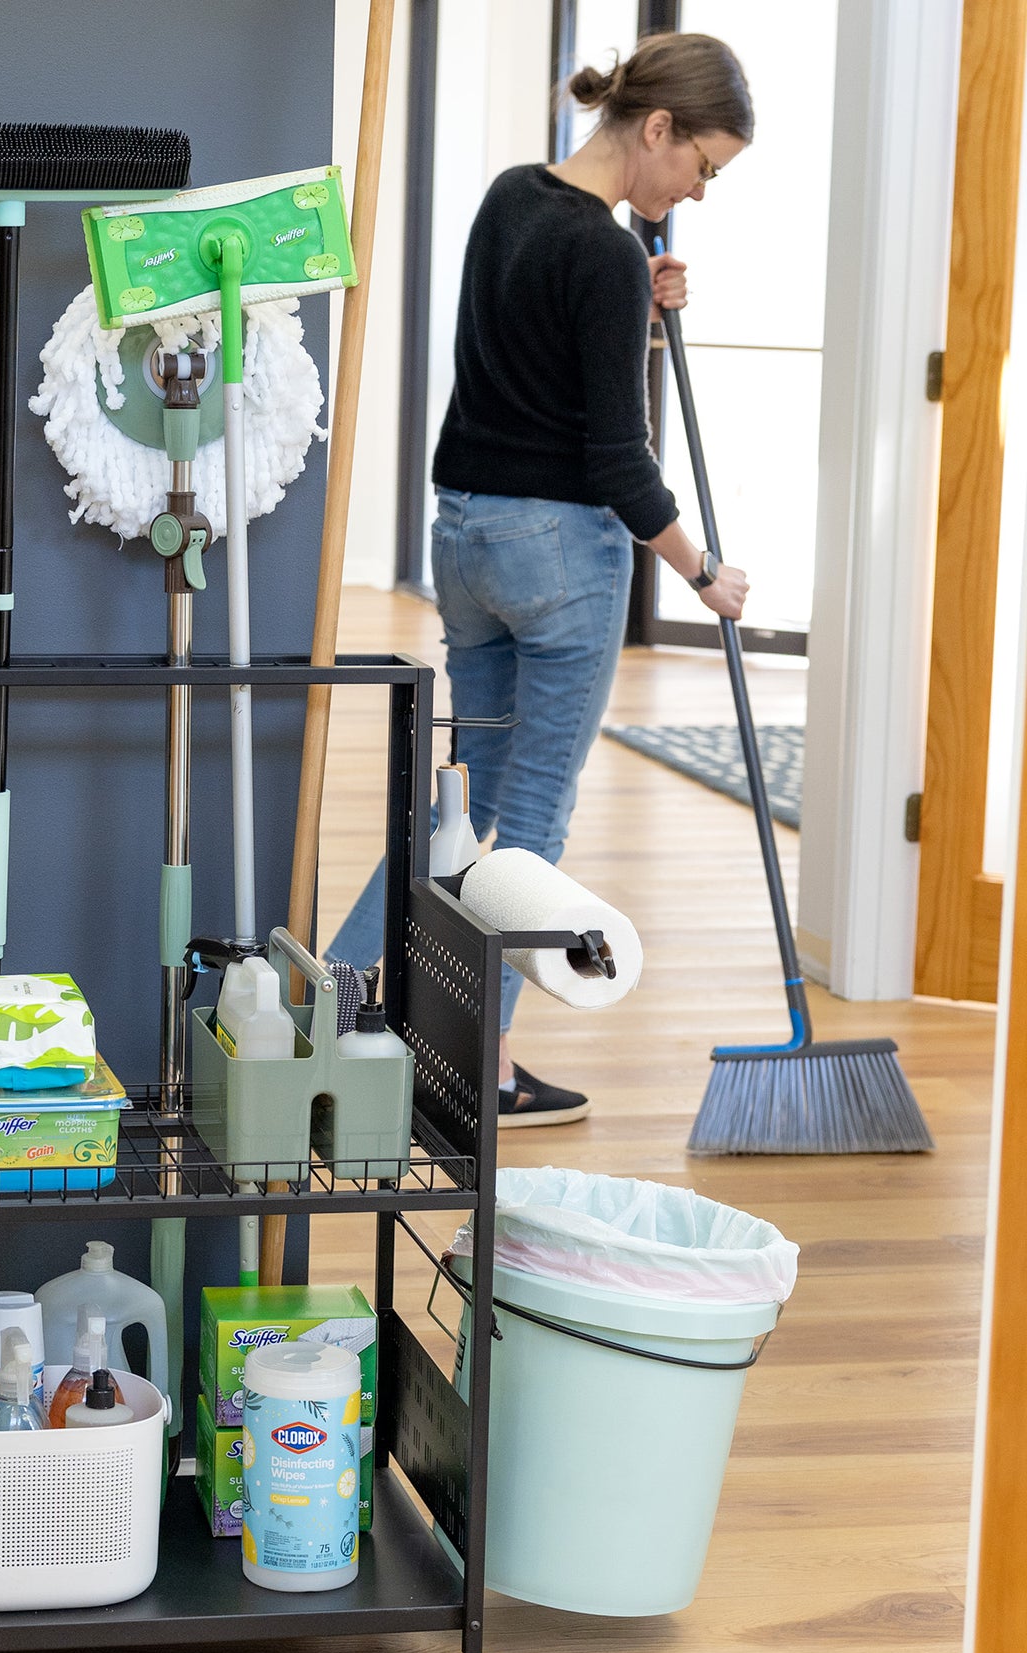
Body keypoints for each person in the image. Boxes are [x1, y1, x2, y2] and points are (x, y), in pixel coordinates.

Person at [430, 32, 754, 1127]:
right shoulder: (608, 255)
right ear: (657, 129)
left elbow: (533, 380)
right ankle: (476, 1070)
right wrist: (702, 568)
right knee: (529, 827)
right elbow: (618, 463)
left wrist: (642, 330)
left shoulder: (511, 199)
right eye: (703, 165)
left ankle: (356, 1022)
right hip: (560, 557)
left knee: (454, 812)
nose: (698, 191)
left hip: (466, 537)